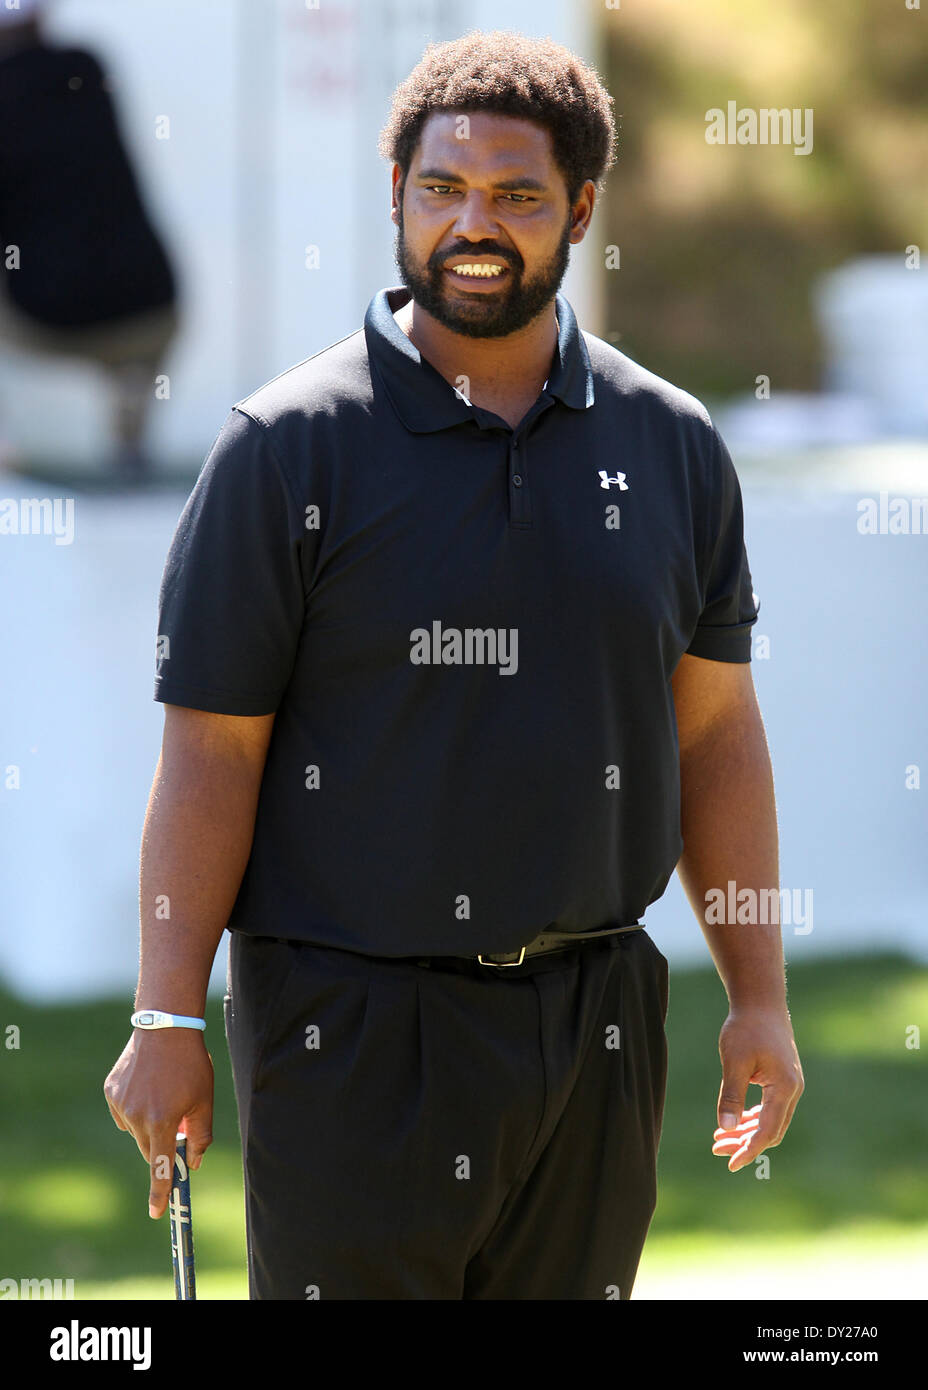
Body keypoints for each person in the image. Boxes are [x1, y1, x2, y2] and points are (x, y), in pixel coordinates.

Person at [104, 29, 803, 1300]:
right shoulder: (286, 448)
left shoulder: (673, 445)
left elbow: (714, 735)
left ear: (579, 209)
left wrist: (759, 993)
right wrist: (165, 1016)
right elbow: (209, 750)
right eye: (443, 189)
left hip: (598, 1021)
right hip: (350, 1031)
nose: (472, 224)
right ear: (398, 200)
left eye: (516, 195)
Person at [0, 0, 180, 479]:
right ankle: (129, 451)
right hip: (154, 308)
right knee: (136, 350)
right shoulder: (86, 65)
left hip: (49, 321)